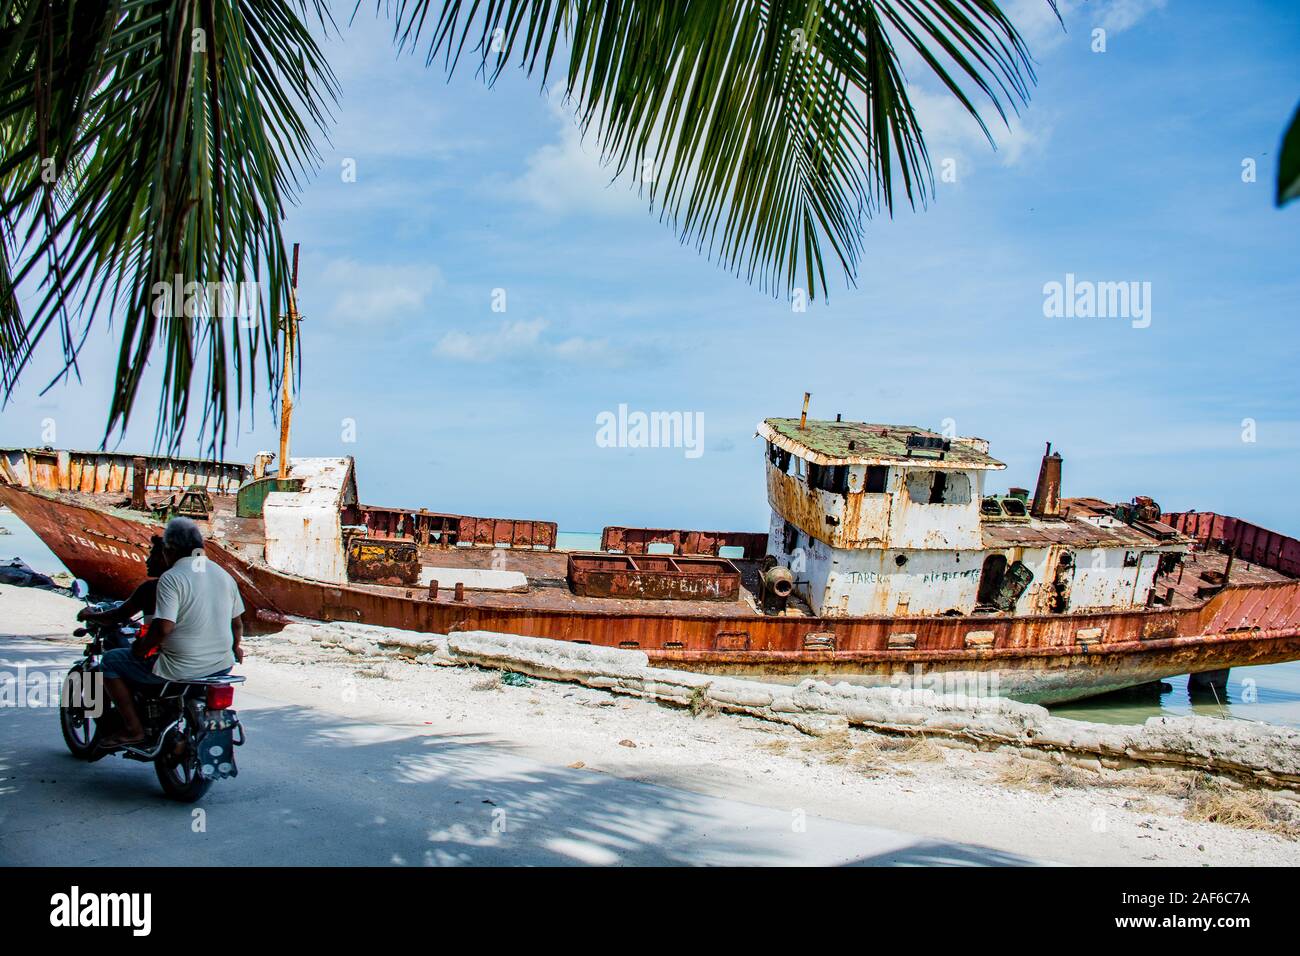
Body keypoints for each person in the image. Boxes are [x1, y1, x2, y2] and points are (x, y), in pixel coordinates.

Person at [97, 517, 244, 747]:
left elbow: (163, 627)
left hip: (181, 667)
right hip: (221, 665)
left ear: (170, 550)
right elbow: (236, 623)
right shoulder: (223, 575)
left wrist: (140, 649)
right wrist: (236, 647)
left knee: (110, 661)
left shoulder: (171, 578)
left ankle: (133, 730)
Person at [78, 536, 167, 643]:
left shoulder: (151, 588)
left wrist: (88, 615)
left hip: (163, 655)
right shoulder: (188, 585)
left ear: (165, 558)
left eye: (152, 556)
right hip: (189, 654)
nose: (147, 561)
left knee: (112, 657)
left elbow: (116, 616)